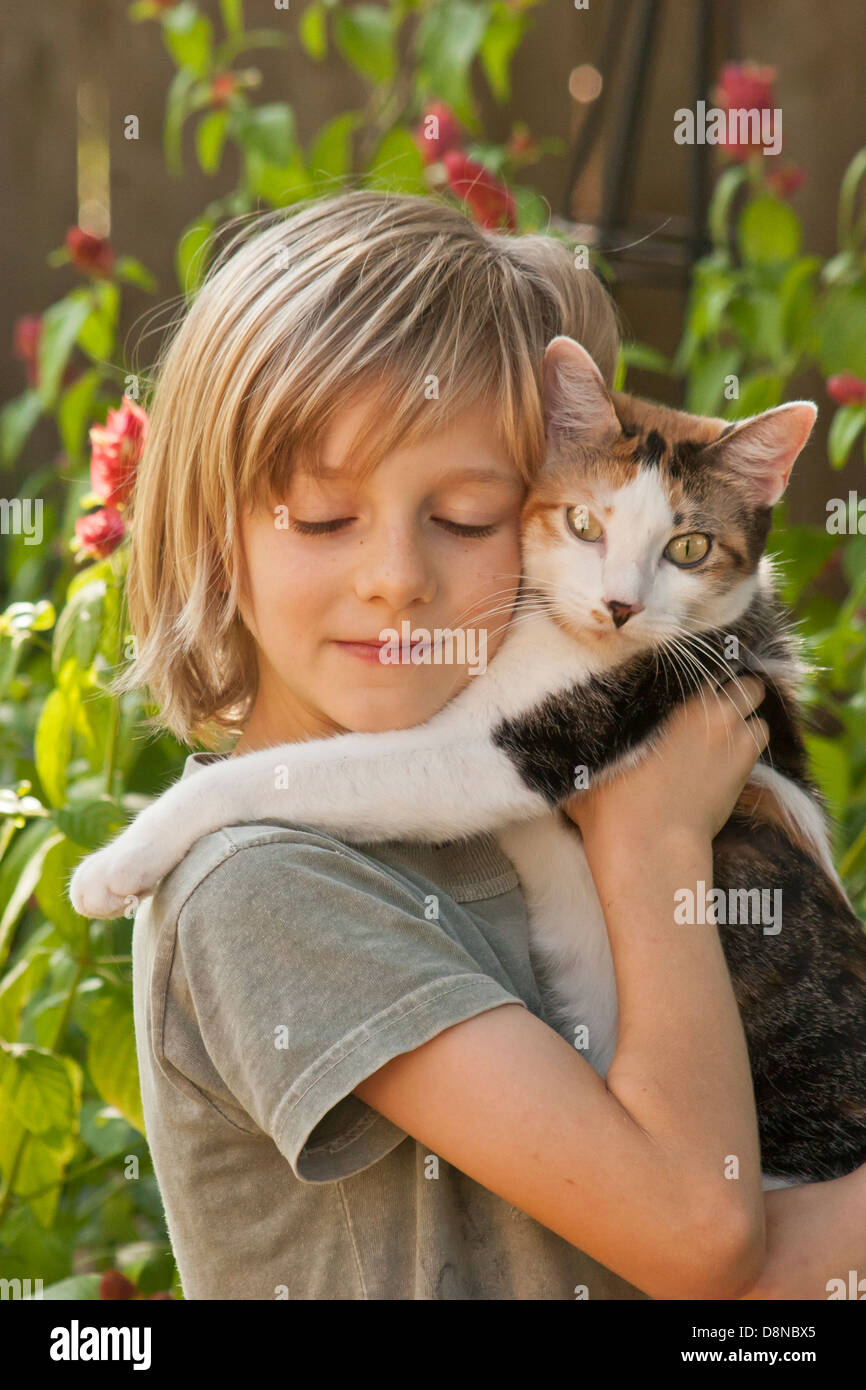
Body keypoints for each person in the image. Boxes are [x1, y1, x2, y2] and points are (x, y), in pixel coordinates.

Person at [120, 189, 866, 1300]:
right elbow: (703, 1241)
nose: (395, 577)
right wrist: (653, 839)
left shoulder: (517, 802)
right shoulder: (265, 887)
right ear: (211, 534)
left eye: (466, 517)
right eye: (324, 520)